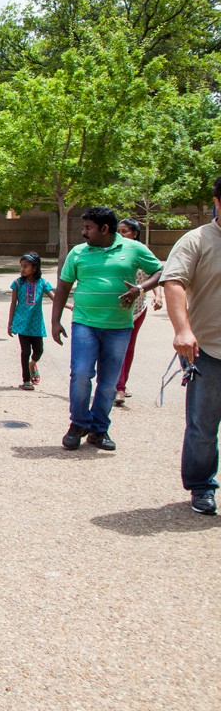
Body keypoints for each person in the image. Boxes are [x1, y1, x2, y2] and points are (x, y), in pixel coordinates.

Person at [51, 206, 162, 451]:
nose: (83, 232)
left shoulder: (134, 249)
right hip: (85, 323)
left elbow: (160, 271)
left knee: (109, 382)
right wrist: (55, 321)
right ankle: (78, 423)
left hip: (119, 327)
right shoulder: (78, 252)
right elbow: (63, 287)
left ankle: (99, 430)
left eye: (88, 228)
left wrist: (140, 289)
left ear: (104, 229)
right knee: (81, 374)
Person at [160, 175, 221, 515]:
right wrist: (182, 329)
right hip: (207, 349)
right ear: (217, 201)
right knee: (203, 425)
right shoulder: (196, 241)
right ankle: (201, 485)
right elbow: (174, 282)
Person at [114, 218, 164, 405]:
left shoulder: (142, 252)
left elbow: (153, 275)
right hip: (119, 308)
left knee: (128, 347)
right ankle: (118, 386)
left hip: (138, 308)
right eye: (118, 231)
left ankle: (121, 384)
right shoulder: (115, 251)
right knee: (117, 346)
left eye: (125, 231)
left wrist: (158, 296)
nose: (121, 235)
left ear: (135, 233)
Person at [8, 253, 55, 390]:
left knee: (39, 351)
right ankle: (26, 380)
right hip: (22, 323)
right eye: (21, 266)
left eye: (26, 266)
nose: (22, 269)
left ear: (34, 268)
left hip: (36, 324)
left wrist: (69, 306)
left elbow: (55, 298)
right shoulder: (17, 283)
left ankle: (32, 364)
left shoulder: (43, 283)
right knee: (25, 351)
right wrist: (10, 323)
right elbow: (13, 303)